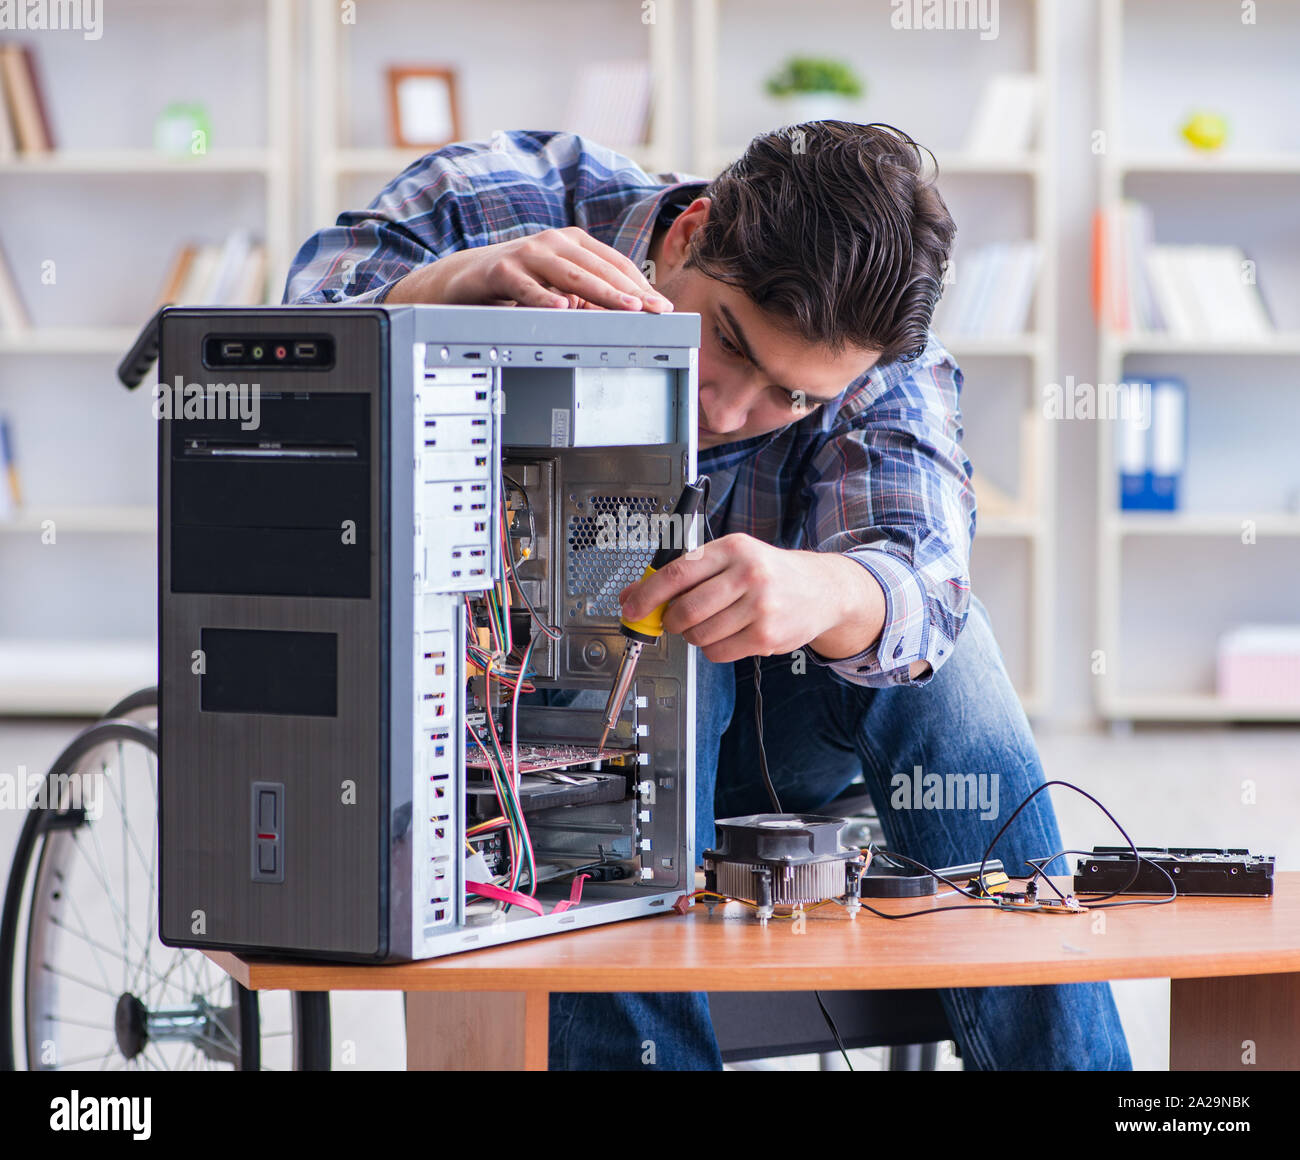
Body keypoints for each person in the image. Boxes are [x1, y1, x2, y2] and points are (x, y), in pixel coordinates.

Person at [283, 122, 1132, 1071]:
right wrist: (439, 289)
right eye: (728, 343)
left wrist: (828, 587)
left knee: (953, 652)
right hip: (514, 725)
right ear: (690, 232)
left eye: (792, 399)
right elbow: (291, 339)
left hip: (767, 749)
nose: (727, 412)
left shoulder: (876, 356)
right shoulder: (506, 198)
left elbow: (927, 574)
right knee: (659, 642)